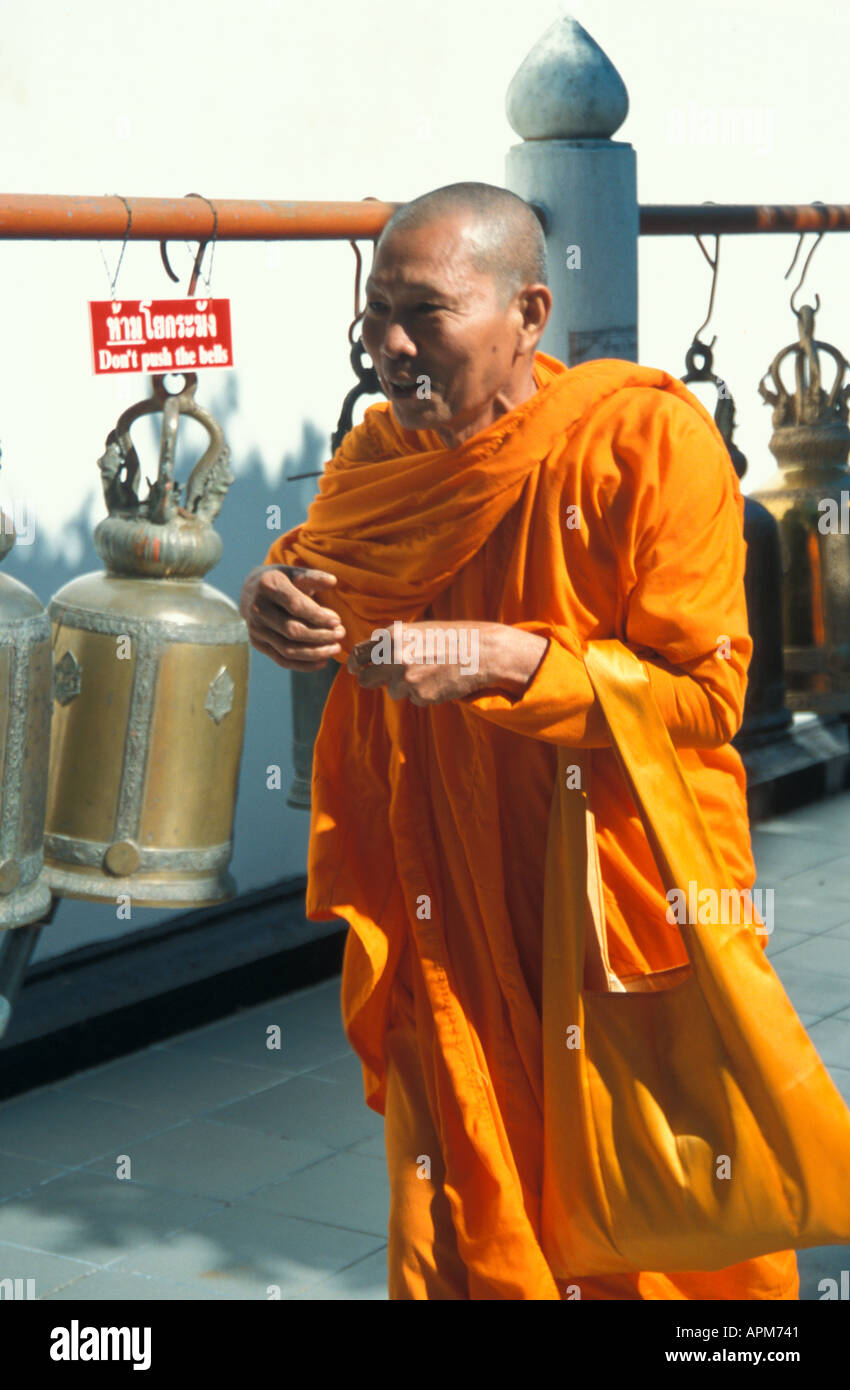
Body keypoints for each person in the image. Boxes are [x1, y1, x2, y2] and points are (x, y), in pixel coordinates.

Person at [239, 181, 799, 1301]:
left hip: (612, 908)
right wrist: (274, 602)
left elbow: (705, 700)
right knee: (465, 1206)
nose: (391, 345)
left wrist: (509, 661)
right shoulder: (380, 461)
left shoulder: (643, 442)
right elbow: (329, 576)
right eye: (375, 313)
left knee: (656, 1218)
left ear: (528, 313)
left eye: (427, 313)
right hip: (444, 899)